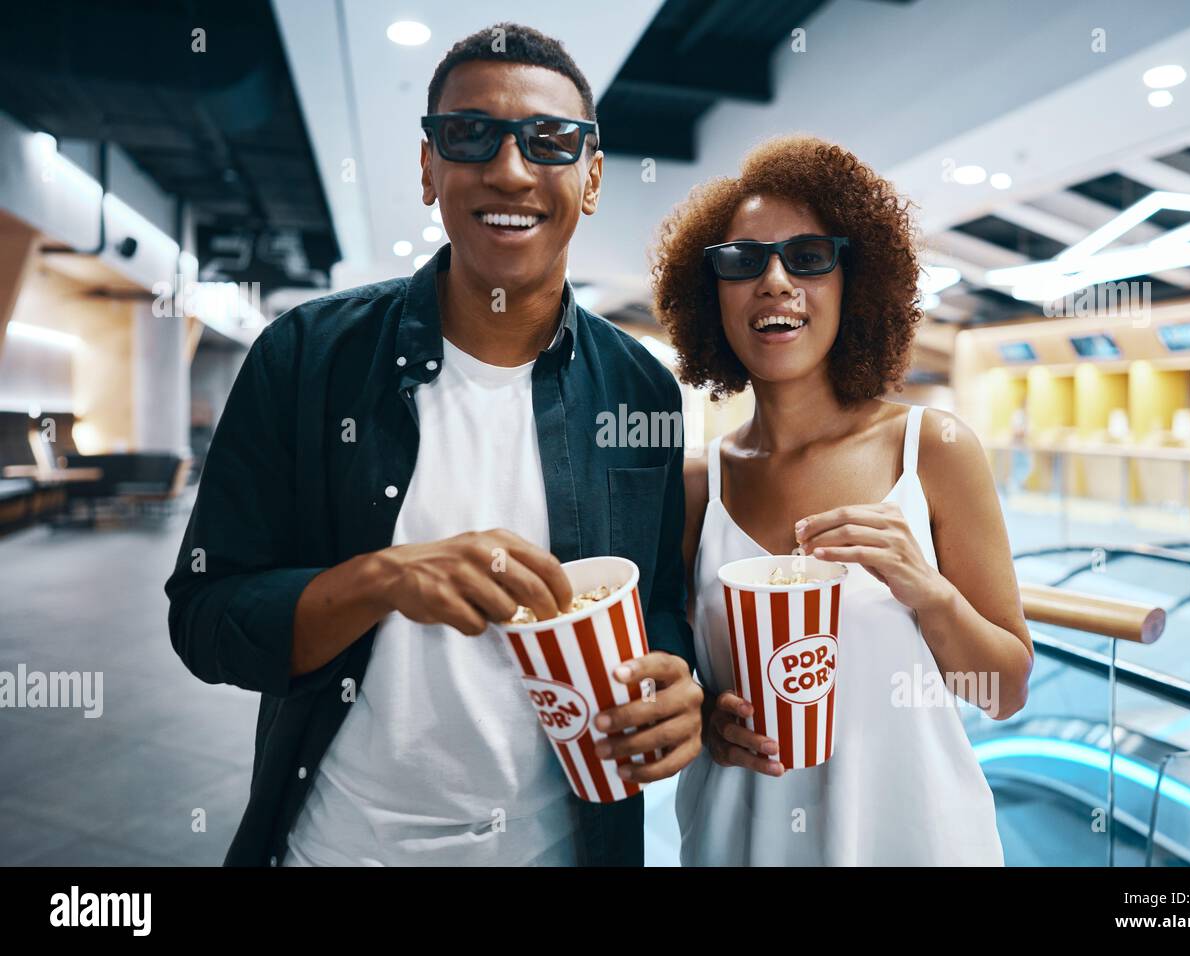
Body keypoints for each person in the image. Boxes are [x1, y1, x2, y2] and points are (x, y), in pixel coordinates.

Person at [165, 23, 702, 867]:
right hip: (340, 848)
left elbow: (658, 600)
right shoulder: (306, 358)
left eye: (550, 140)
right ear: (429, 167)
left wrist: (677, 678)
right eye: (470, 134)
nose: (511, 168)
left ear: (592, 176)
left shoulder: (641, 389)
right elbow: (204, 619)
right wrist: (379, 580)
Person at [651, 135, 1032, 865]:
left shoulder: (931, 450)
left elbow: (1004, 691)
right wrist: (705, 718)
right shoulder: (701, 485)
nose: (774, 280)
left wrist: (930, 595)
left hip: (913, 840)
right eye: (741, 262)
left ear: (852, 281)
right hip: (742, 842)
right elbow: (676, 673)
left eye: (807, 256)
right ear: (712, 296)